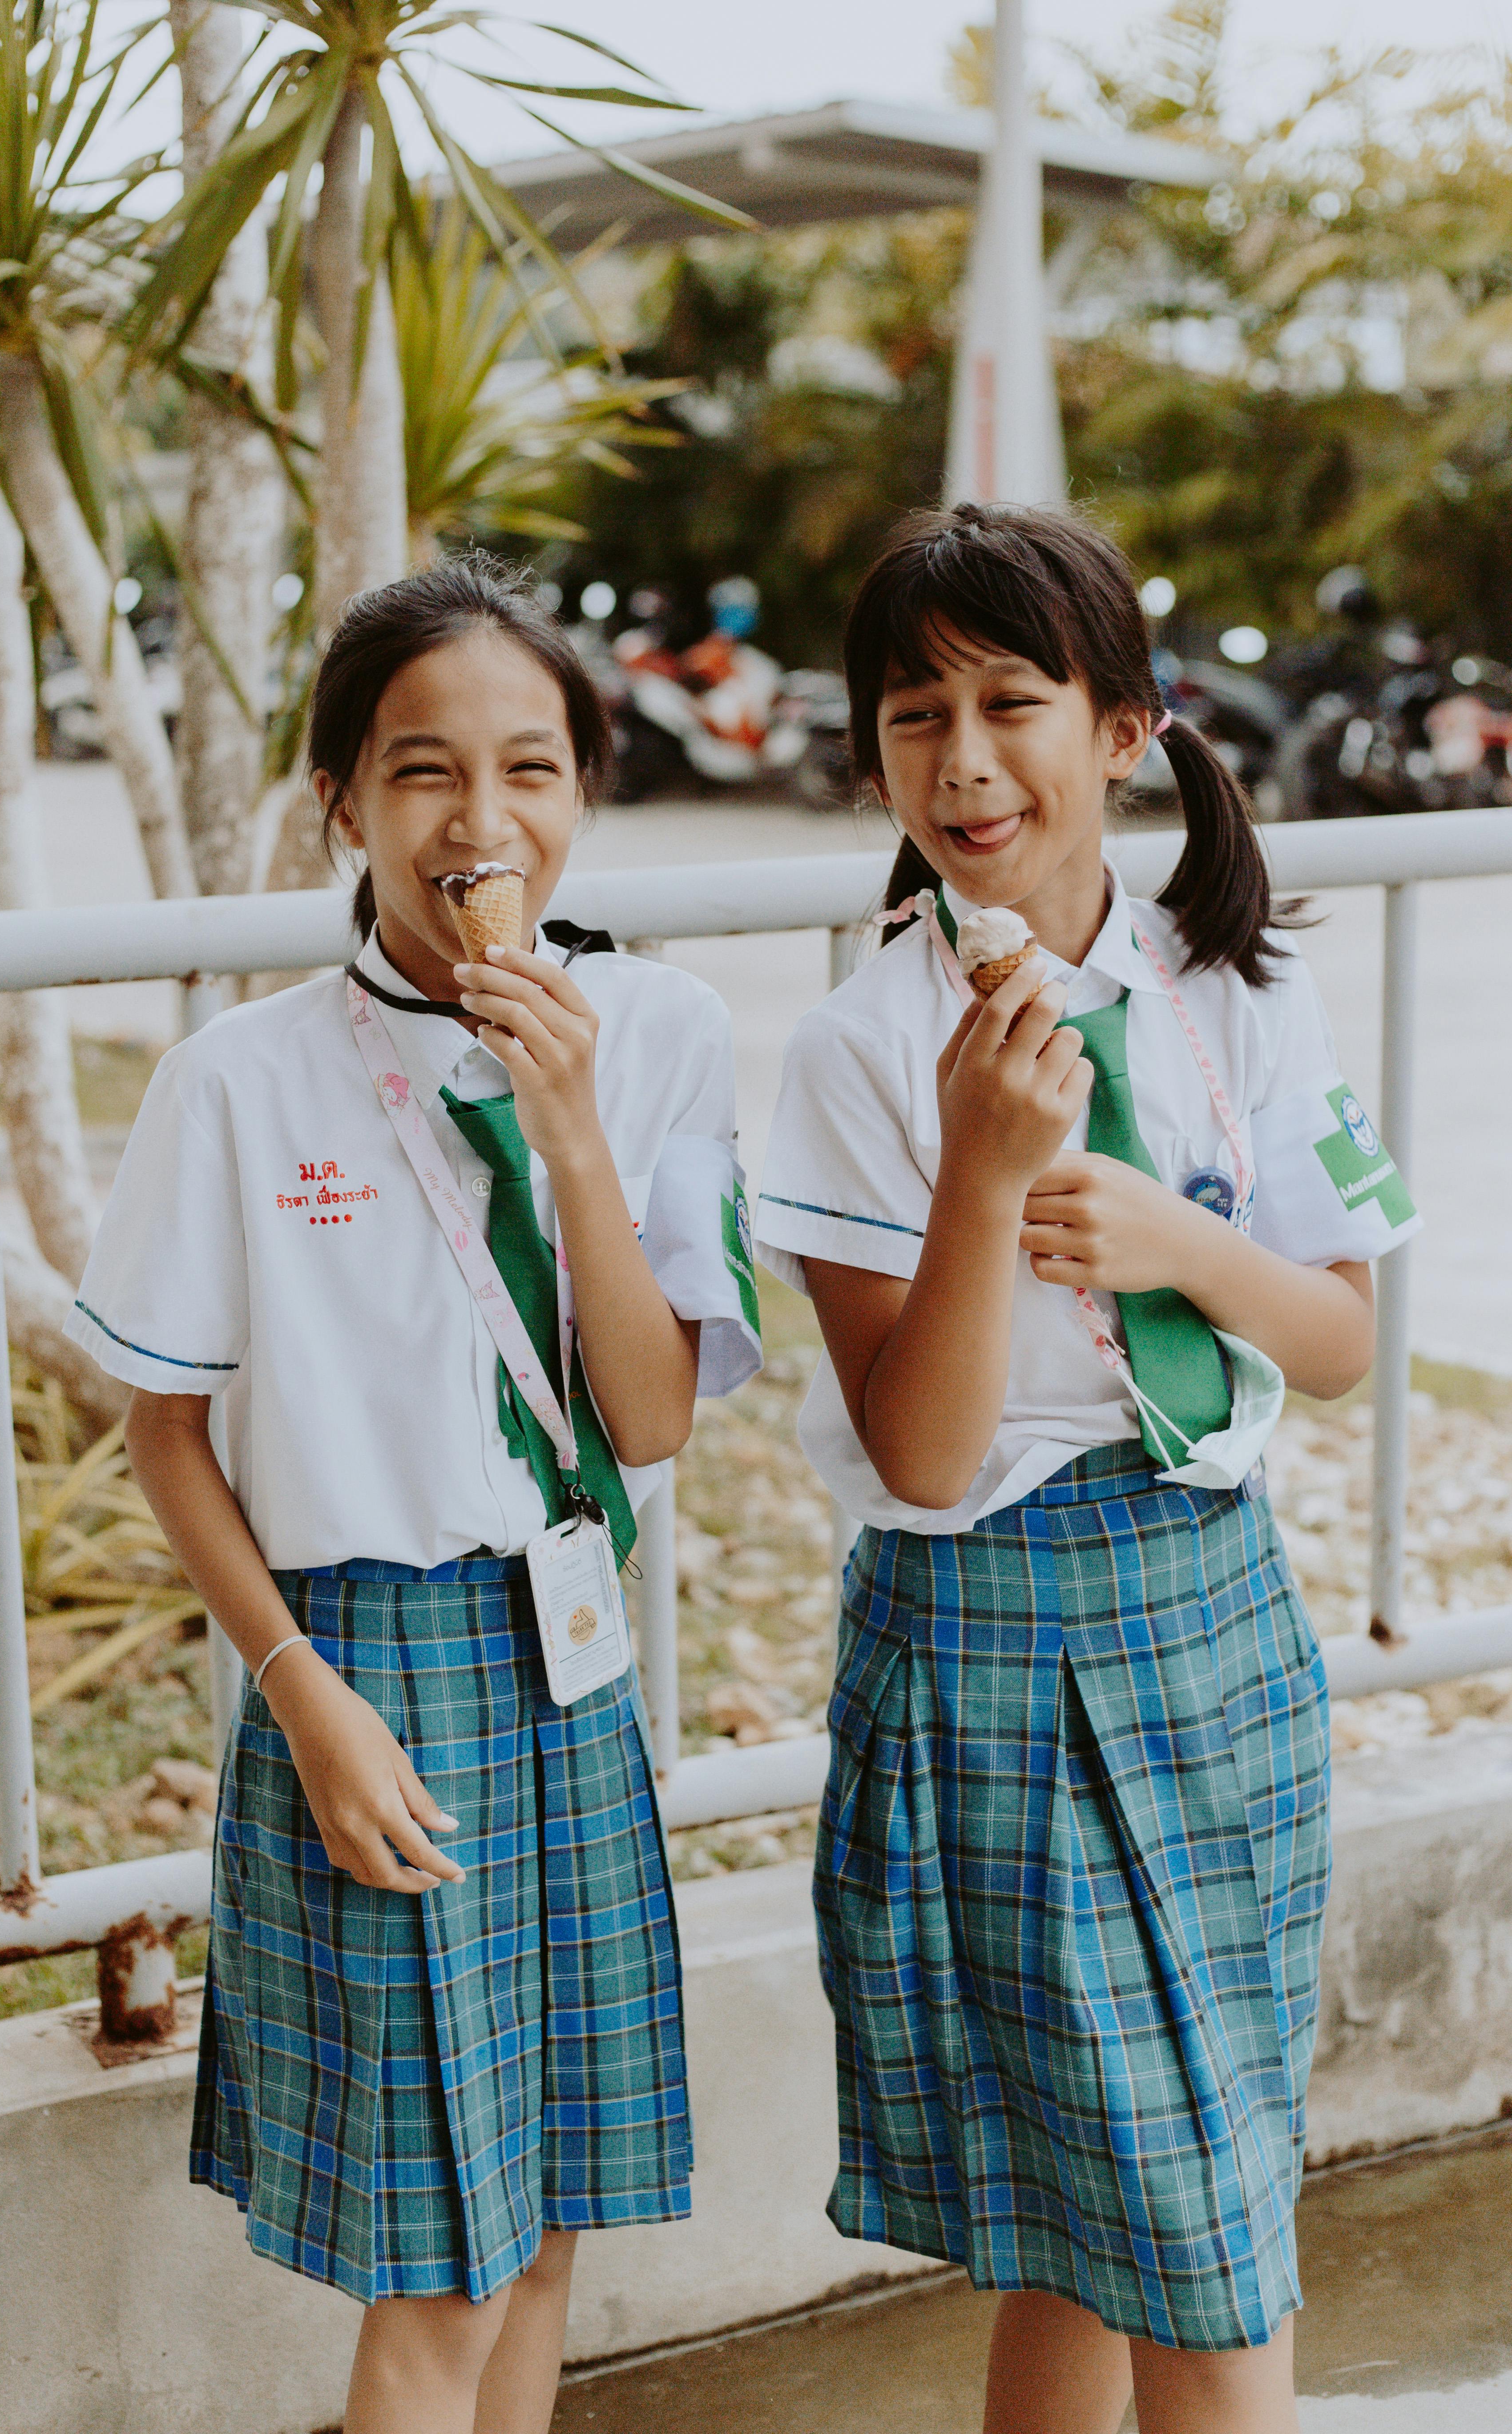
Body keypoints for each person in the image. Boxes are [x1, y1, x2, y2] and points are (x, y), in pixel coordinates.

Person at [66, 556, 761, 2434]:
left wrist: (571, 1127)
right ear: (342, 801)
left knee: (545, 2227)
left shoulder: (664, 1035)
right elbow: (165, 1429)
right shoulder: (239, 1081)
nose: (481, 821)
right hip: (367, 1665)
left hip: (570, 1658)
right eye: (424, 770)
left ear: (585, 788)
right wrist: (303, 1691)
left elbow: (649, 1420)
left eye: (531, 767)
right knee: (446, 2263)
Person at [754, 503, 1419, 2434]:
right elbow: (924, 1451)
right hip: (991, 1649)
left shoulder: (1242, 985)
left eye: (1010, 702)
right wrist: (982, 1176)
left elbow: (1341, 1340)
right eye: (915, 715)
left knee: (1120, 2216)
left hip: (1224, 1629)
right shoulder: (863, 1048)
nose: (962, 760)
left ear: (1124, 728)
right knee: (1182, 2244)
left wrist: (1183, 1246)